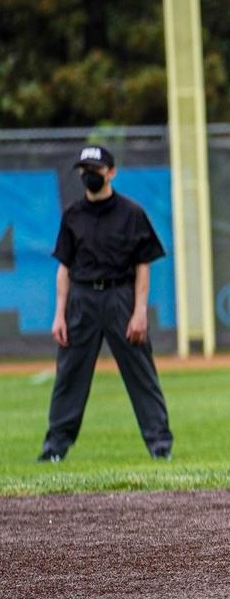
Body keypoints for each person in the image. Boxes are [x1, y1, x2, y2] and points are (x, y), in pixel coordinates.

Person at [40, 145, 174, 462]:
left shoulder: (131, 213)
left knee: (141, 373)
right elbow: (64, 268)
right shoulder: (73, 215)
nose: (89, 175)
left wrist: (139, 311)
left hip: (119, 297)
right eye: (84, 170)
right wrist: (59, 314)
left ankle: (159, 446)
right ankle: (55, 448)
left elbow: (143, 265)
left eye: (95, 170)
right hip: (82, 299)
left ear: (111, 173)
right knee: (69, 375)